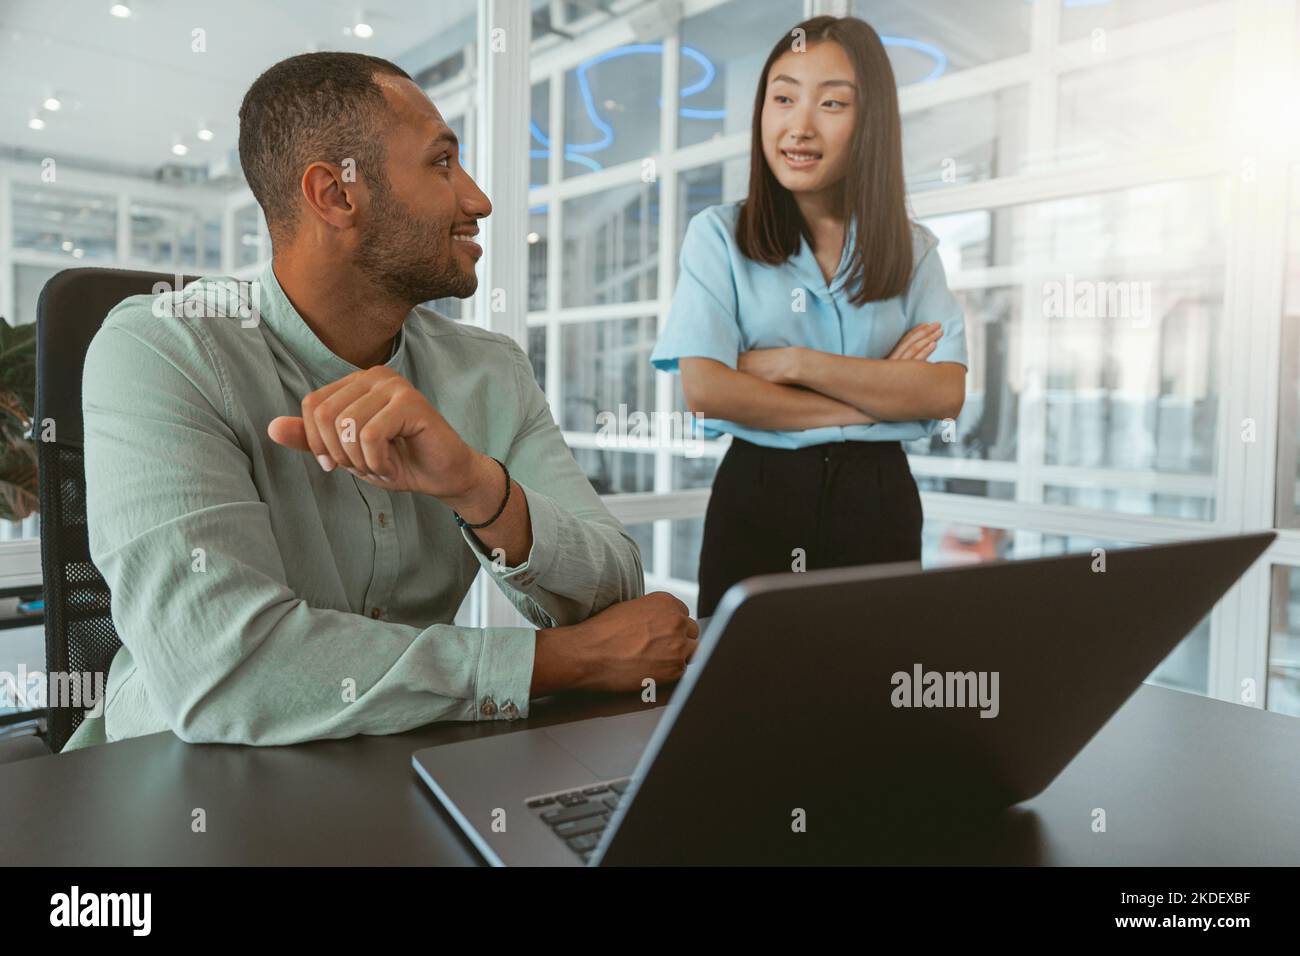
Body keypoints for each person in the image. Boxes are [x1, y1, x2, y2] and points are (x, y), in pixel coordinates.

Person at [64, 52, 697, 750]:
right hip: (170, 784)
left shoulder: (488, 372)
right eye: (443, 164)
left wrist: (479, 488)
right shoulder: (162, 349)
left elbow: (620, 600)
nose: (478, 199)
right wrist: (566, 662)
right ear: (337, 195)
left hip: (405, 767)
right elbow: (225, 672)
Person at [650, 16, 969, 618]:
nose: (800, 126)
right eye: (783, 98)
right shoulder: (718, 236)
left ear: (870, 120)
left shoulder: (914, 248)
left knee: (874, 691)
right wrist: (877, 401)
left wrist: (795, 363)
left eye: (831, 103)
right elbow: (709, 390)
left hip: (877, 503)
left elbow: (944, 391)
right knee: (747, 692)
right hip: (760, 497)